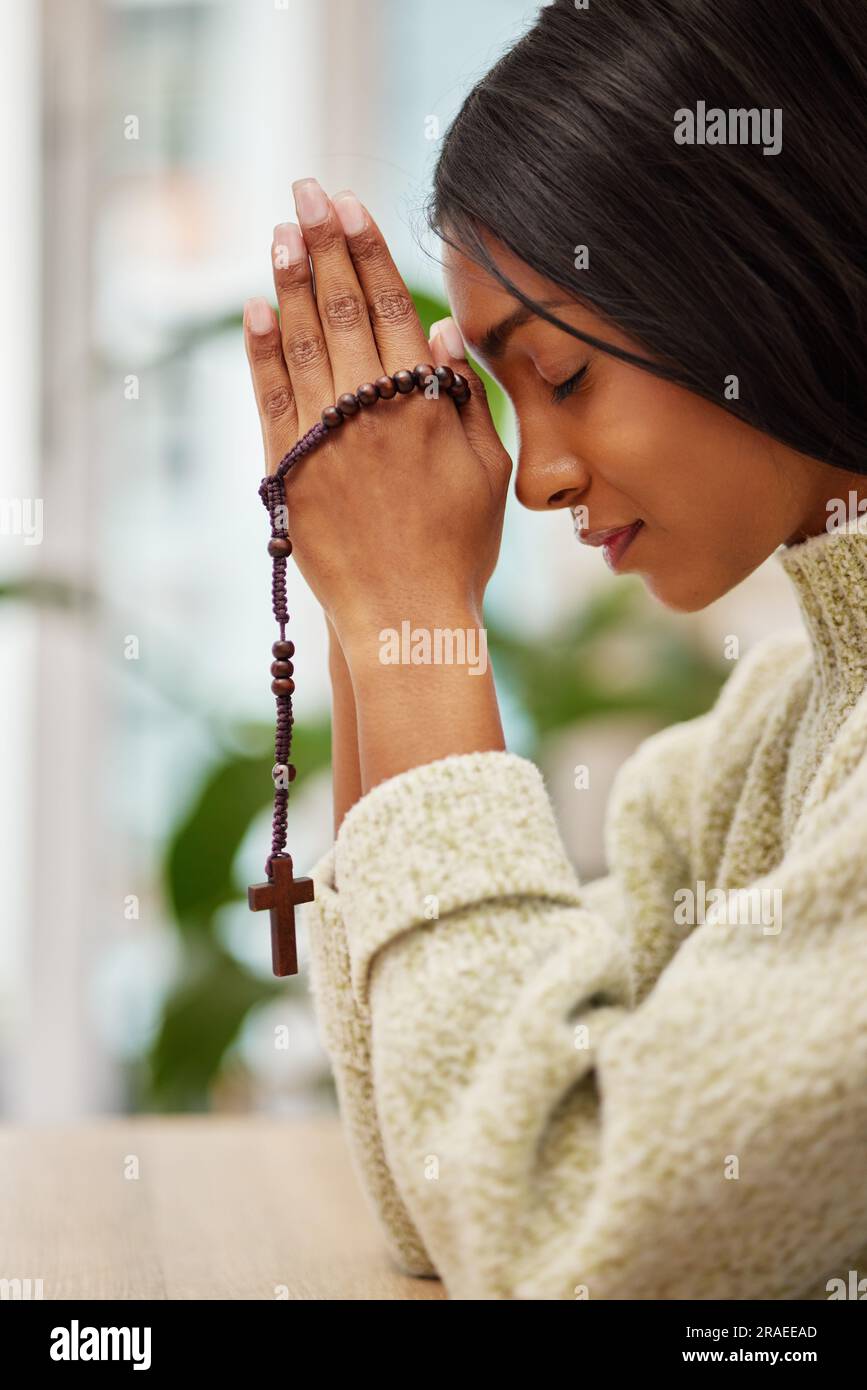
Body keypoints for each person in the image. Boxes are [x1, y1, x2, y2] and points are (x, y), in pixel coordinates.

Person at [243, 0, 867, 1299]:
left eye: (566, 378)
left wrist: (412, 611)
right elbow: (456, 1182)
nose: (537, 481)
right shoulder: (777, 725)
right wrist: (381, 607)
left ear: (760, 273)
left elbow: (564, 1229)